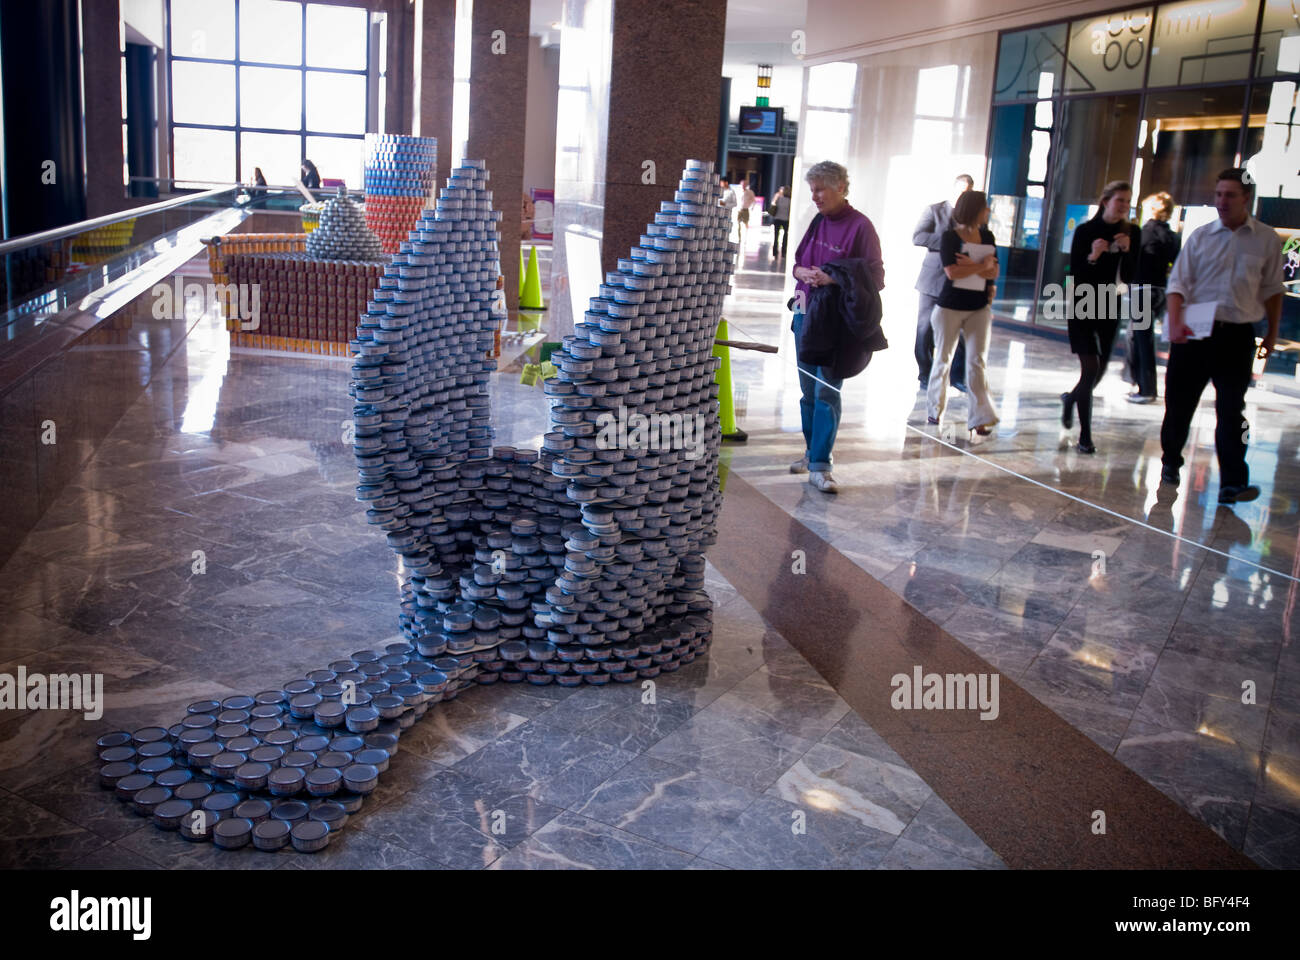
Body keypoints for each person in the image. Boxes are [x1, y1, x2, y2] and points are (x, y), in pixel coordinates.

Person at [1159, 168, 1282, 505]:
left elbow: (1272, 291)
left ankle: (1233, 481)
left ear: (1246, 199)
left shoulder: (1267, 239)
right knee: (1179, 404)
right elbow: (1178, 284)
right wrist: (1173, 325)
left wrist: (1271, 334)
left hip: (1238, 337)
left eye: (1229, 195)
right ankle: (1170, 462)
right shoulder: (1200, 236)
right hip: (1194, 333)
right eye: (1218, 195)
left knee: (1231, 410)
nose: (1221, 201)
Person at [789, 160, 885, 494]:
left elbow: (876, 277)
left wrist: (833, 277)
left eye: (820, 189)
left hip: (833, 322)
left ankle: (821, 466)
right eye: (812, 190)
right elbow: (798, 263)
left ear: (841, 187)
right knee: (807, 392)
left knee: (826, 391)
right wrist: (803, 274)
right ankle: (811, 451)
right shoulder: (817, 220)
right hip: (804, 311)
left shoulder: (861, 227)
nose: (814, 196)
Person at [1063, 180, 1140, 454]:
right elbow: (1076, 275)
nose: (1123, 207)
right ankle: (1085, 436)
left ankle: (1071, 399)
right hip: (1083, 305)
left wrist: (1128, 251)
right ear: (1106, 200)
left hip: (1110, 306)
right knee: (1091, 369)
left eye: (1127, 202)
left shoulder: (1133, 233)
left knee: (1100, 371)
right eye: (1119, 200)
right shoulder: (1085, 231)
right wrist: (1094, 255)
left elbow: (1132, 277)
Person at [926, 190, 1000, 435]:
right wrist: (982, 265)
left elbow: (994, 273)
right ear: (974, 209)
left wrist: (971, 265)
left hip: (979, 306)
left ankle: (980, 418)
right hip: (949, 307)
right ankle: (934, 411)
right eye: (985, 206)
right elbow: (952, 273)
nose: (987, 210)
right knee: (943, 360)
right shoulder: (950, 237)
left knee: (976, 362)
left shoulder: (988, 236)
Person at [914, 175, 973, 390]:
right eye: (961, 191)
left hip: (960, 280)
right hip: (933, 279)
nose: (963, 196)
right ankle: (924, 374)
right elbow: (917, 236)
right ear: (954, 189)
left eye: (968, 192)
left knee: (960, 330)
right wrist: (950, 243)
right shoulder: (935, 210)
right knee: (925, 329)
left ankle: (957, 377)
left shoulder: (972, 216)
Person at [1127, 191, 1180, 403]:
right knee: (1135, 335)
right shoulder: (1173, 237)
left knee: (1142, 338)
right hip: (1160, 290)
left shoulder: (1143, 234)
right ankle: (1136, 381)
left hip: (1142, 291)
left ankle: (1147, 389)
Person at [770, 186, 791, 260]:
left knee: (776, 236)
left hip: (777, 219)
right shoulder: (790, 201)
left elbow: (773, 205)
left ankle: (775, 252)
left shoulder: (778, 199)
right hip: (786, 219)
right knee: (785, 236)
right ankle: (783, 252)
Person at [738, 180, 755, 246]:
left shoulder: (750, 192)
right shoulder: (738, 191)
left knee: (746, 225)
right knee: (738, 224)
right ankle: (739, 239)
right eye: (742, 185)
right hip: (739, 210)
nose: (743, 186)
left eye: (744, 185)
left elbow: (753, 200)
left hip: (746, 210)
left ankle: (745, 239)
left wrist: (751, 207)